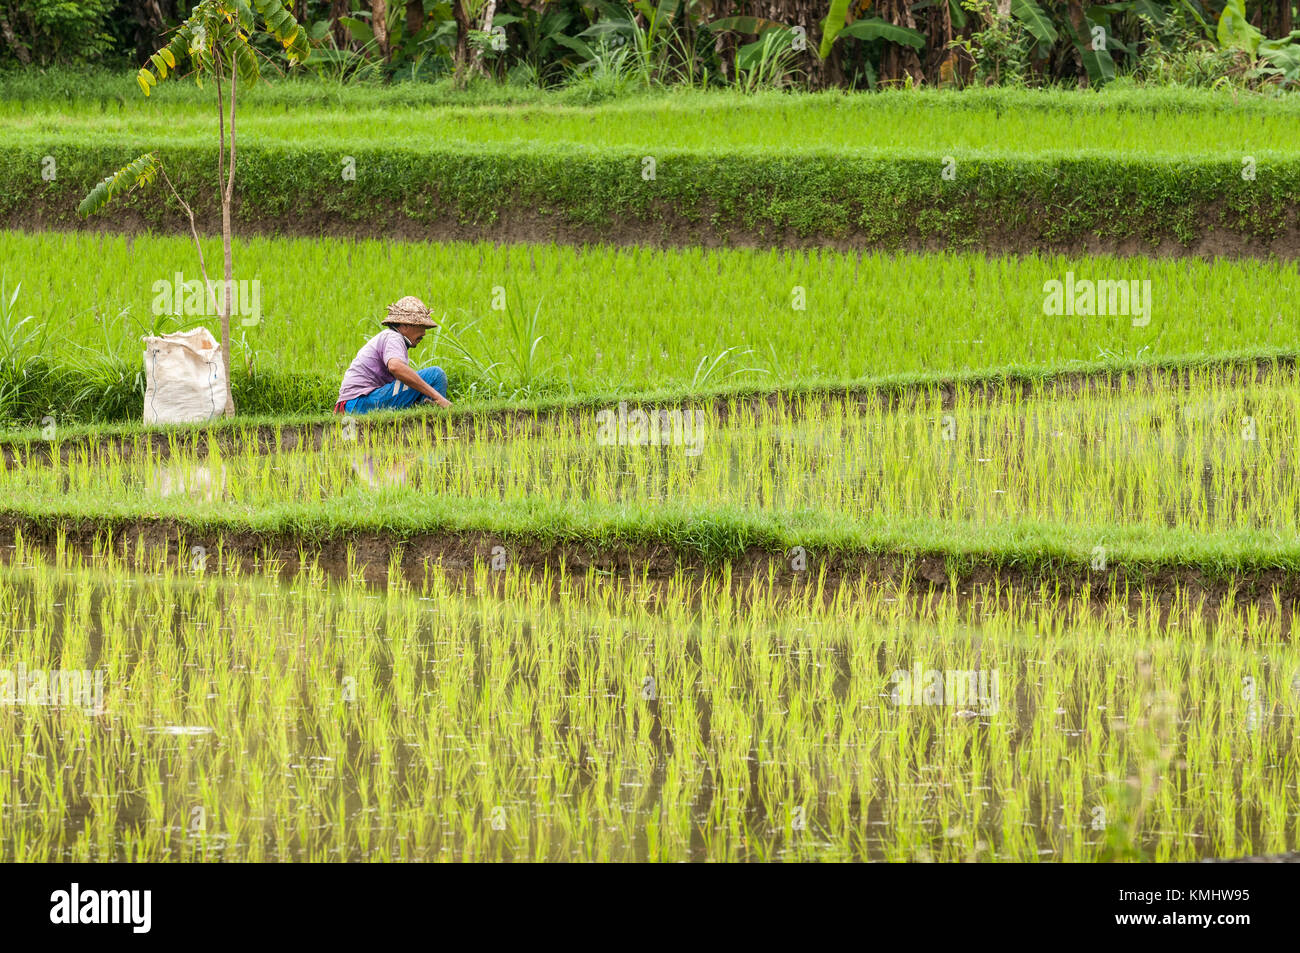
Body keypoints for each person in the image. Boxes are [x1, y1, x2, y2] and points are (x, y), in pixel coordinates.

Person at [335, 296, 452, 415]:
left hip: (355, 403)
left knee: (419, 384)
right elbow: (396, 367)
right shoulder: (393, 337)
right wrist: (438, 397)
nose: (424, 333)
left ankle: (425, 417)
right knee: (435, 375)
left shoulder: (390, 338)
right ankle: (433, 418)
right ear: (405, 325)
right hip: (359, 402)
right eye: (421, 326)